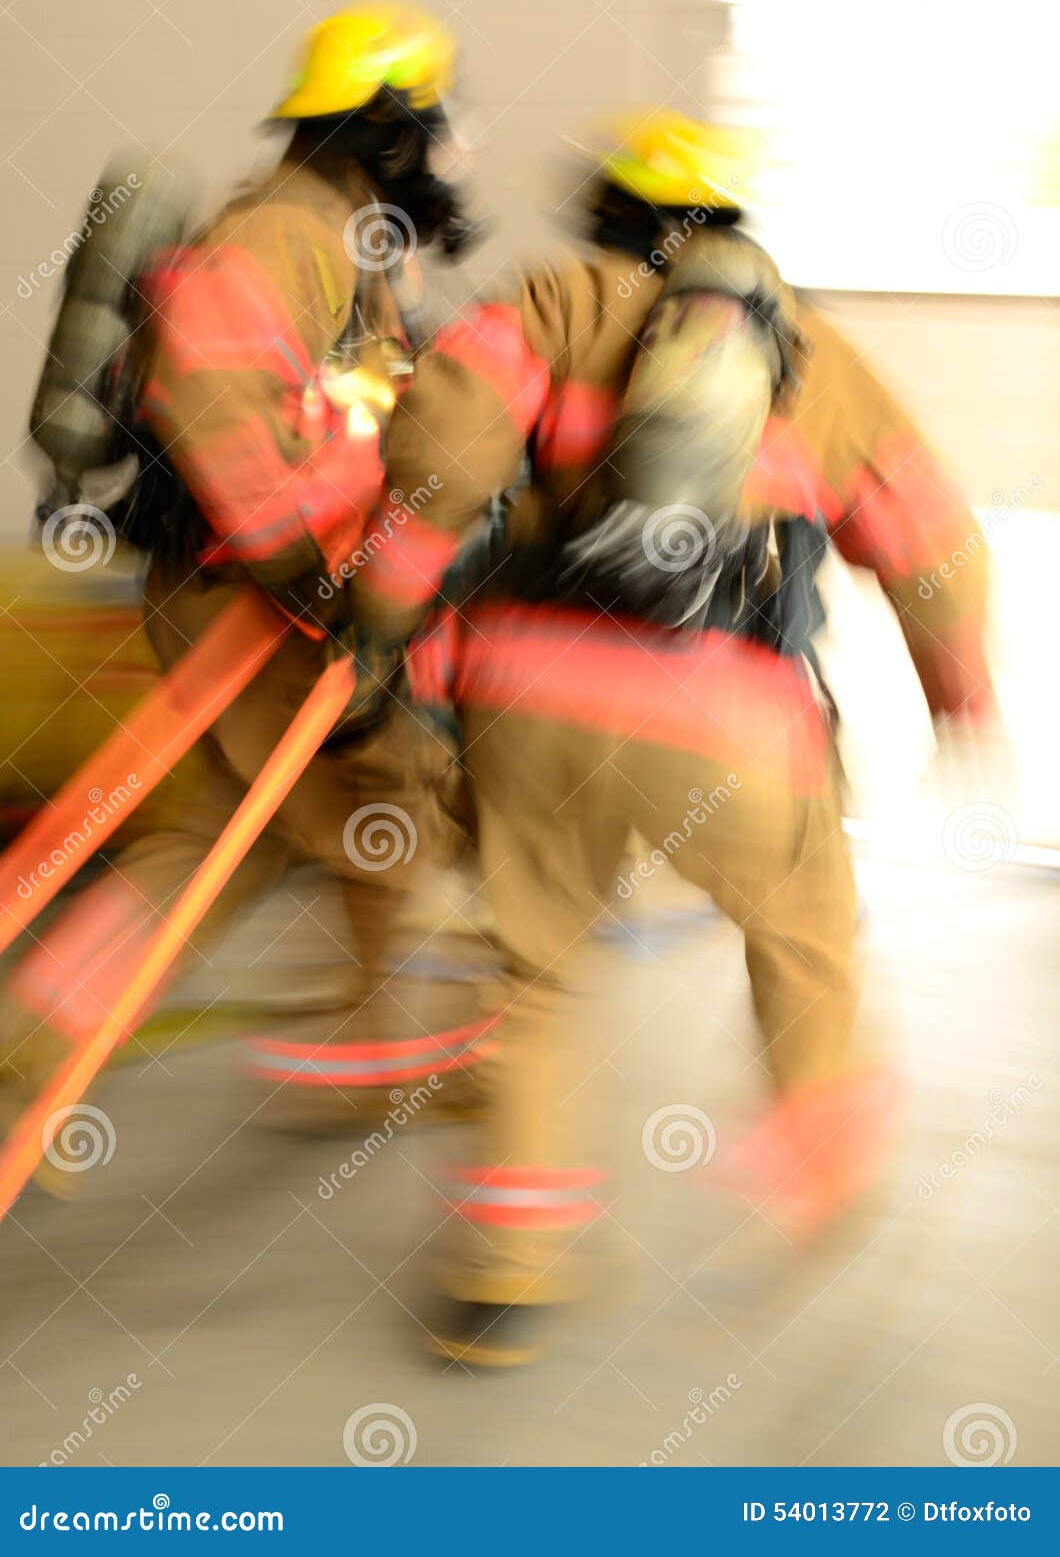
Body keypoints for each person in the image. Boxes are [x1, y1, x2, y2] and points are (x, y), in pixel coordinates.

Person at [338, 109, 1000, 1365]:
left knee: (531, 969)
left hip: (531, 693)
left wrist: (380, 616)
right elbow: (928, 538)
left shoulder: (546, 304)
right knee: (802, 930)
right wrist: (960, 684)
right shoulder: (817, 354)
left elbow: (436, 465)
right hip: (732, 714)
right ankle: (815, 1159)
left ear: (614, 214)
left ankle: (509, 1269)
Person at [1, 0, 491, 1155]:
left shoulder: (345, 236)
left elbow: (362, 406)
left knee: (277, 823)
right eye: (432, 131)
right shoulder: (278, 235)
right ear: (385, 131)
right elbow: (224, 422)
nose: (446, 158)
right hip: (258, 596)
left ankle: (365, 1031)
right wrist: (329, 603)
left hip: (281, 588)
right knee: (379, 798)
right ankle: (57, 1038)